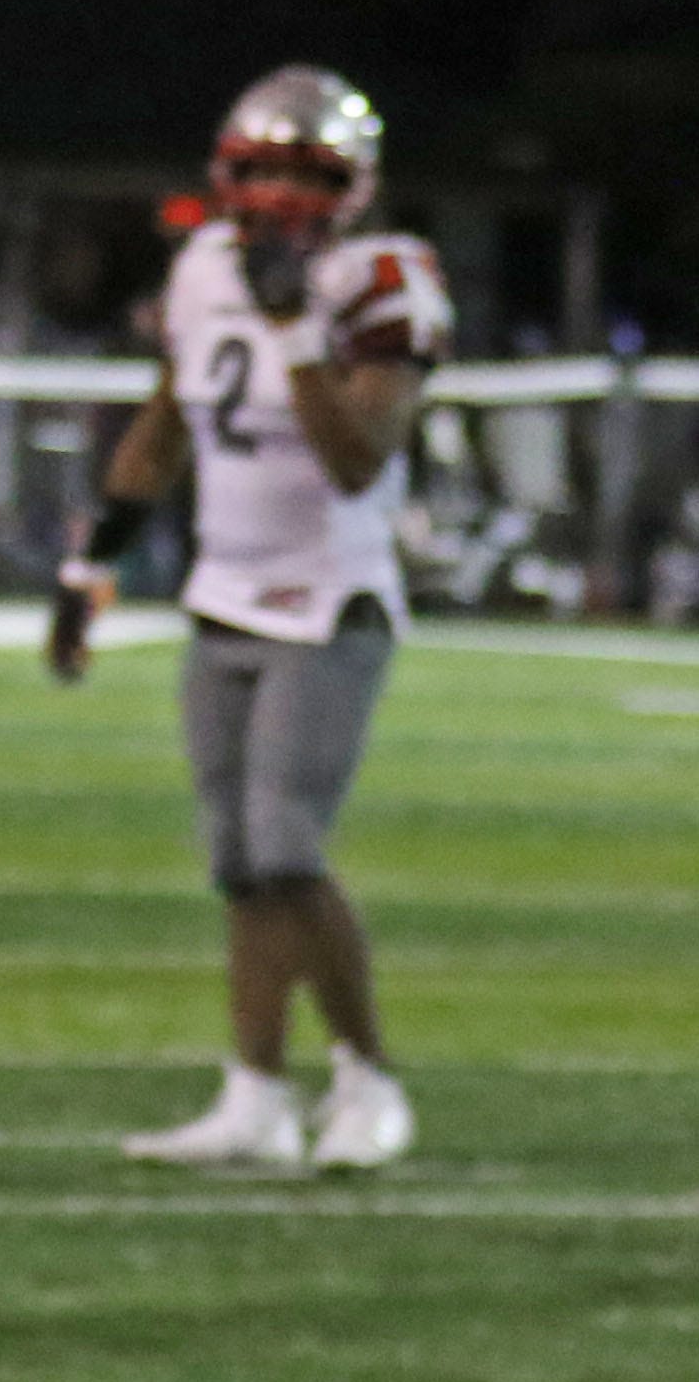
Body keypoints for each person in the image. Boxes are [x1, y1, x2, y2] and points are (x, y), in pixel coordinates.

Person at [54, 66, 448, 1172]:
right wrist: (92, 566)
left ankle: (368, 1081)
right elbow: (165, 425)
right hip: (222, 592)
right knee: (235, 863)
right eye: (260, 171)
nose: (278, 195)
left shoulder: (383, 277)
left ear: (350, 185)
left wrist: (289, 326)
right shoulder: (199, 268)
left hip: (328, 599)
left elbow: (353, 454)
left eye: (304, 173)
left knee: (284, 845)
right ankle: (256, 1096)